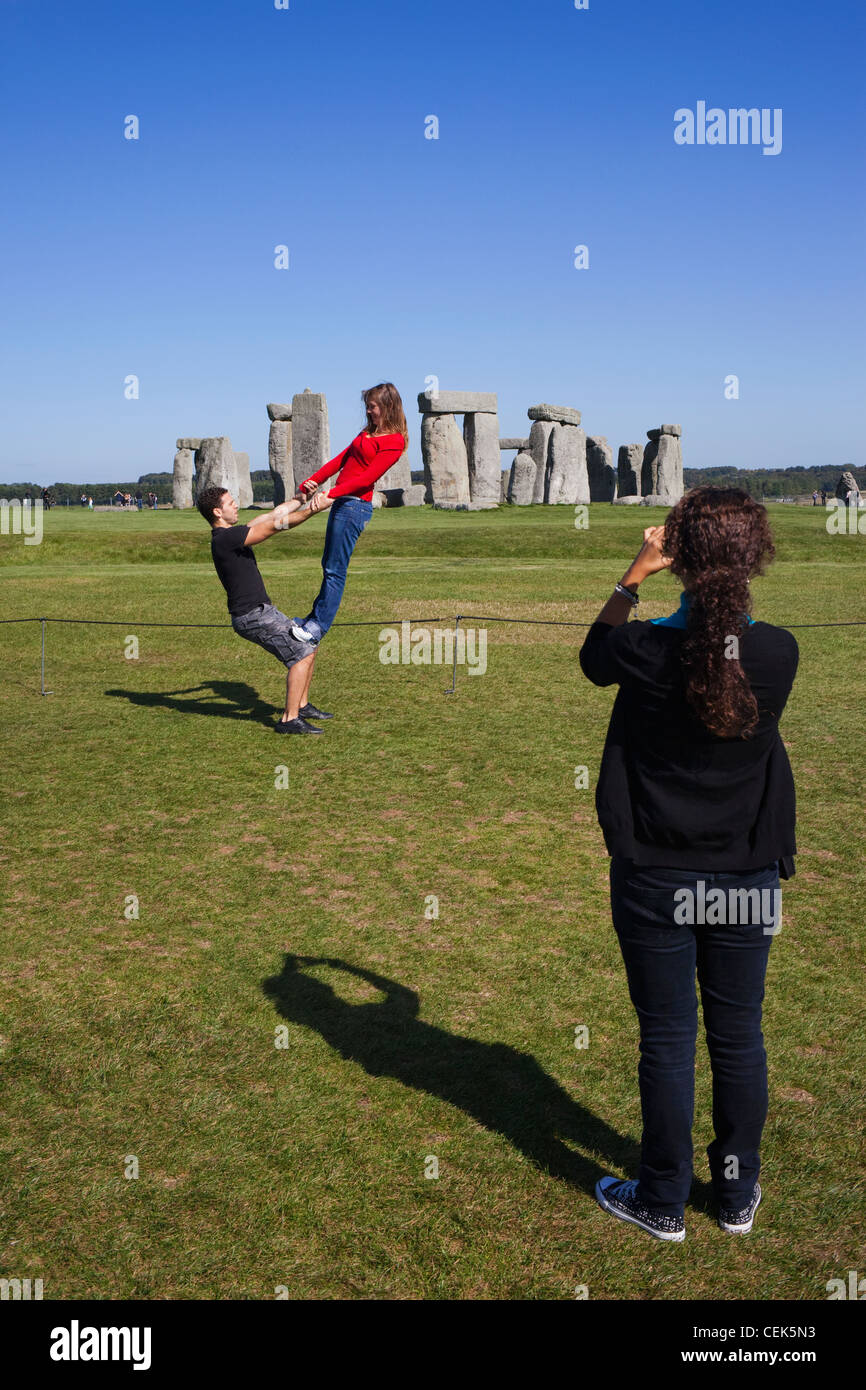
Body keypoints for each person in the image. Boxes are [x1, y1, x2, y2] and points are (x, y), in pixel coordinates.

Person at [579, 487, 799, 1242]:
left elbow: (591, 659)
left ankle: (663, 1198)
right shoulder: (778, 652)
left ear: (679, 554)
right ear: (753, 555)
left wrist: (632, 576)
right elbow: (723, 646)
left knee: (668, 1036)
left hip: (656, 873)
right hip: (746, 873)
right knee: (739, 1034)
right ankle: (737, 1195)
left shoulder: (641, 651)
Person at [198, 484, 329, 734]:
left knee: (309, 642)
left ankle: (301, 705)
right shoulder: (225, 539)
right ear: (217, 512)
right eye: (230, 502)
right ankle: (289, 720)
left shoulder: (232, 534)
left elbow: (273, 515)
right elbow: (273, 527)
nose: (236, 504)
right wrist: (312, 510)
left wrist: (299, 499)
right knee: (301, 654)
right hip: (252, 616)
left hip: (261, 610)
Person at [290, 383, 408, 644]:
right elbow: (341, 459)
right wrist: (313, 481)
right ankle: (312, 619)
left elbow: (368, 477)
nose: (368, 410)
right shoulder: (368, 433)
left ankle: (317, 628)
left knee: (335, 570)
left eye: (373, 405)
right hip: (343, 501)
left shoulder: (394, 441)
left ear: (388, 407)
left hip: (355, 506)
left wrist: (331, 494)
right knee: (328, 566)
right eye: (367, 405)